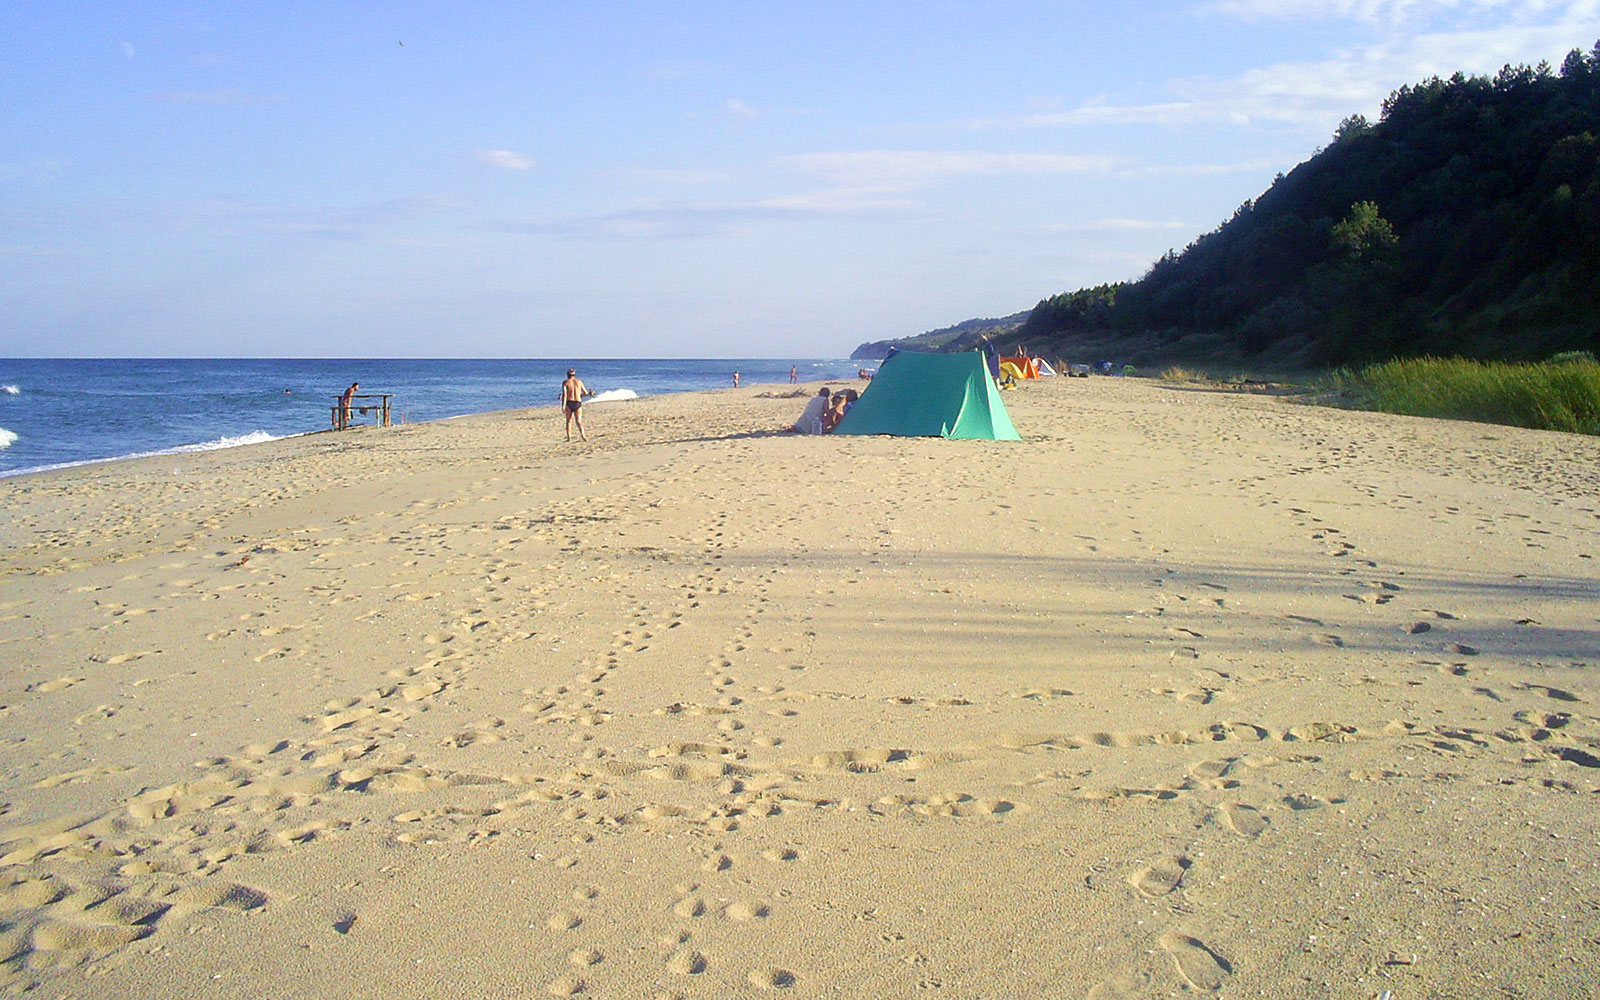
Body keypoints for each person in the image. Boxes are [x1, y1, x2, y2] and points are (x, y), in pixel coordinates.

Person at [560, 369, 593, 441]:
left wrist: (563, 406)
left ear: (567, 375)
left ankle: (569, 438)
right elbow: (585, 393)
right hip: (578, 402)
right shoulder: (579, 382)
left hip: (569, 402)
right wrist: (580, 396)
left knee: (568, 421)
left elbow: (565, 395)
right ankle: (583, 435)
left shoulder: (565, 382)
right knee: (579, 421)